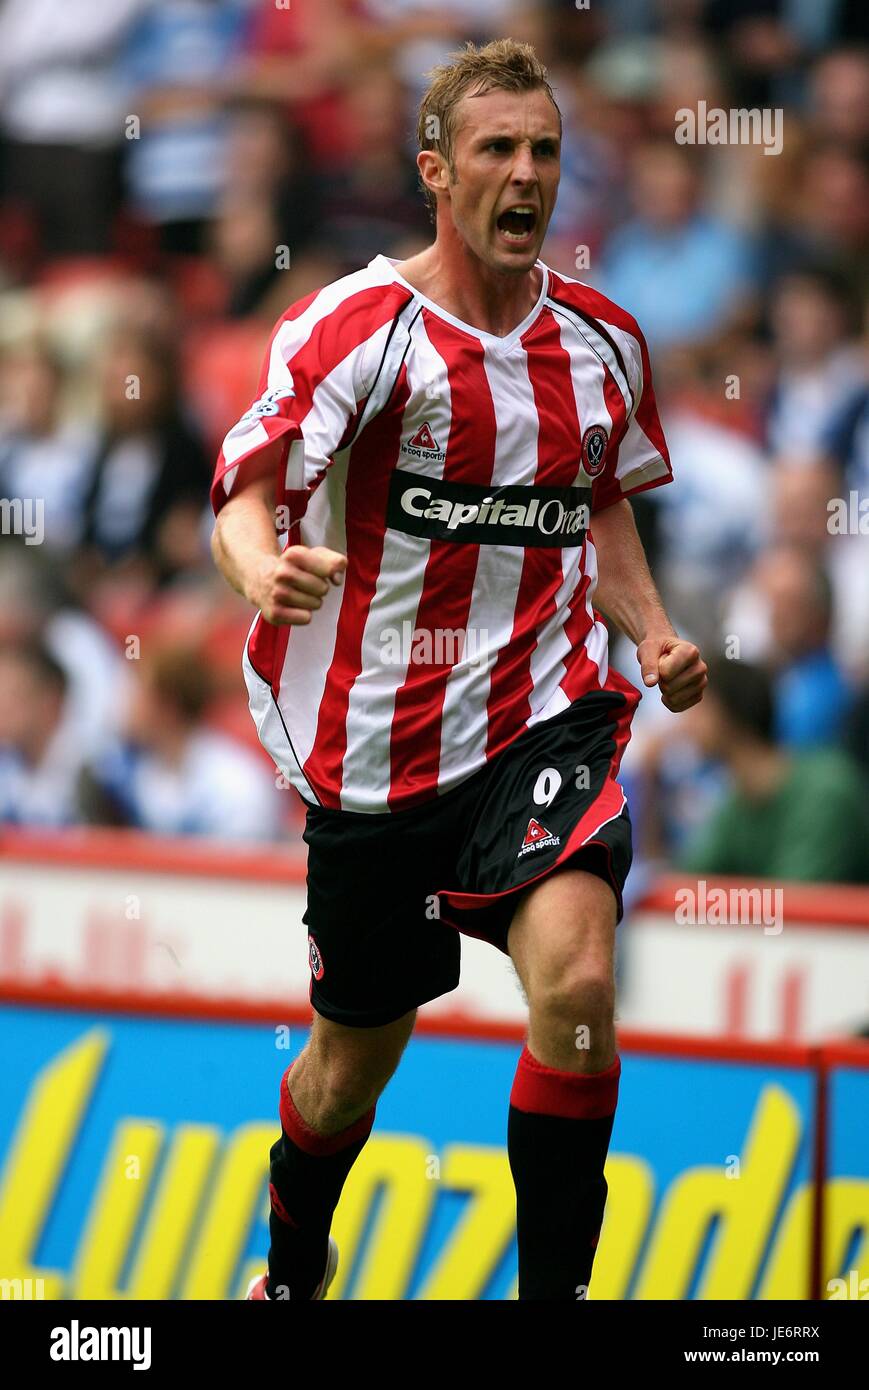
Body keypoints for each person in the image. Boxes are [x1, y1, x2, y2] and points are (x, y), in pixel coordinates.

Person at [210, 39, 707, 1302]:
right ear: (437, 171)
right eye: (496, 148)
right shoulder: (357, 327)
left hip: (543, 718)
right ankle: (290, 1264)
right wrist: (260, 570)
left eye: (542, 148)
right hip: (376, 757)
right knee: (347, 1066)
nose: (525, 172)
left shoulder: (601, 343)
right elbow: (248, 493)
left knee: (580, 986)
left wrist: (645, 629)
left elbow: (600, 505)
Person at [679, 657, 867, 884]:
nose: (686, 726)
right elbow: (685, 882)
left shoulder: (827, 792)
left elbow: (794, 904)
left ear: (729, 712)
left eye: (697, 708)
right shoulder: (737, 801)